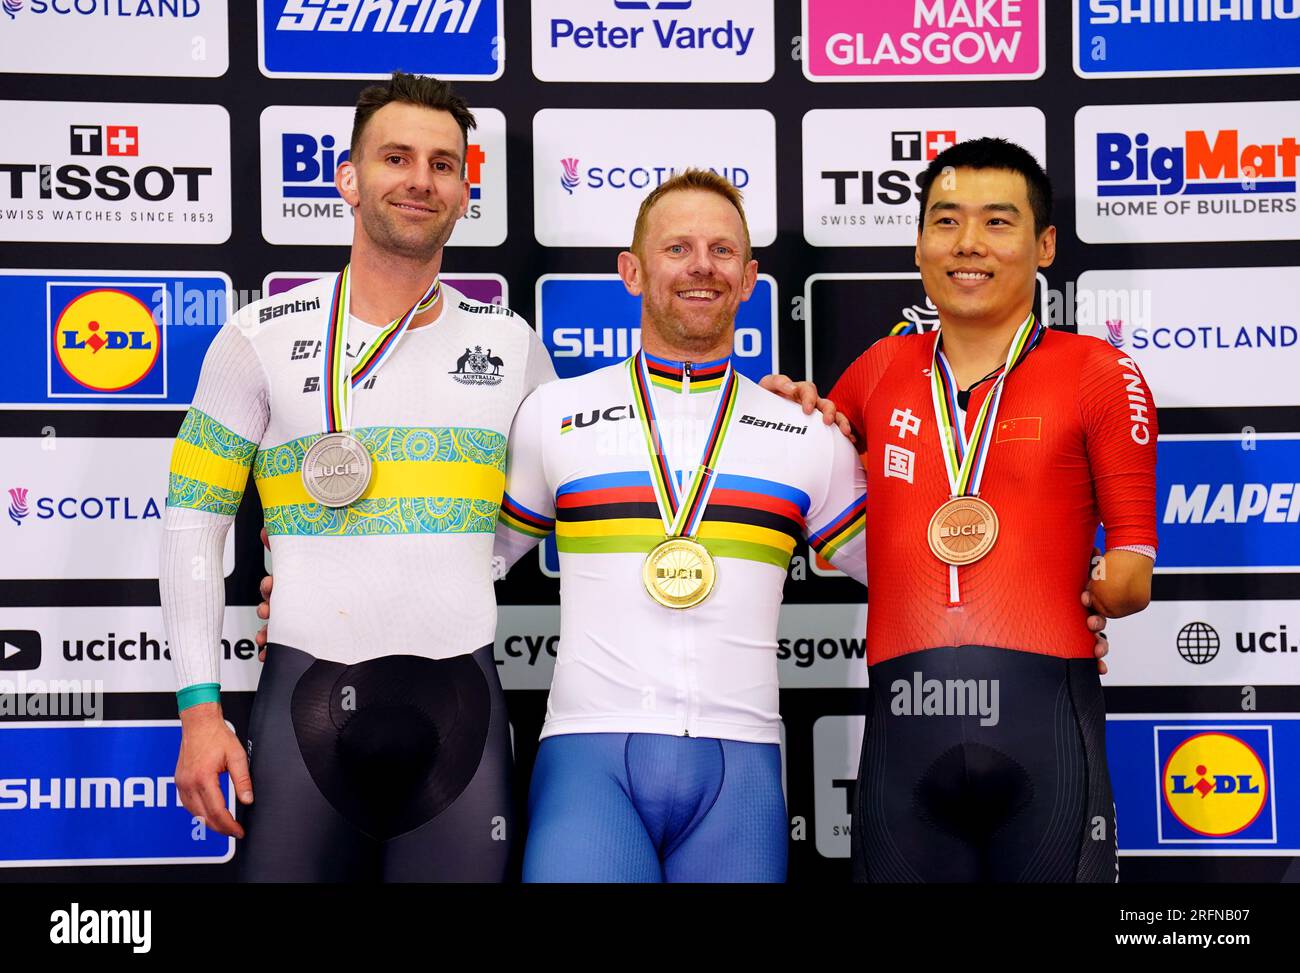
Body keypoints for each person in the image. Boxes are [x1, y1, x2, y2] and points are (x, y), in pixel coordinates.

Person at [160, 72, 556, 882]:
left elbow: (557, 493)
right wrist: (200, 710)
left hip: (462, 712)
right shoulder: (256, 336)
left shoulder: (512, 344)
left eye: (444, 164)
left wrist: (454, 563)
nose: (421, 180)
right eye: (397, 157)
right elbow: (193, 520)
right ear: (349, 178)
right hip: (302, 705)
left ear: (464, 189)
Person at [817, 138, 1157, 882]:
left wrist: (1088, 593)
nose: (968, 243)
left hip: (1046, 730)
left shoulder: (1098, 372)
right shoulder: (878, 368)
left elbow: (1133, 574)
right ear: (918, 245)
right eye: (946, 221)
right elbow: (803, 488)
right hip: (902, 745)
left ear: (1044, 245)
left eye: (997, 222)